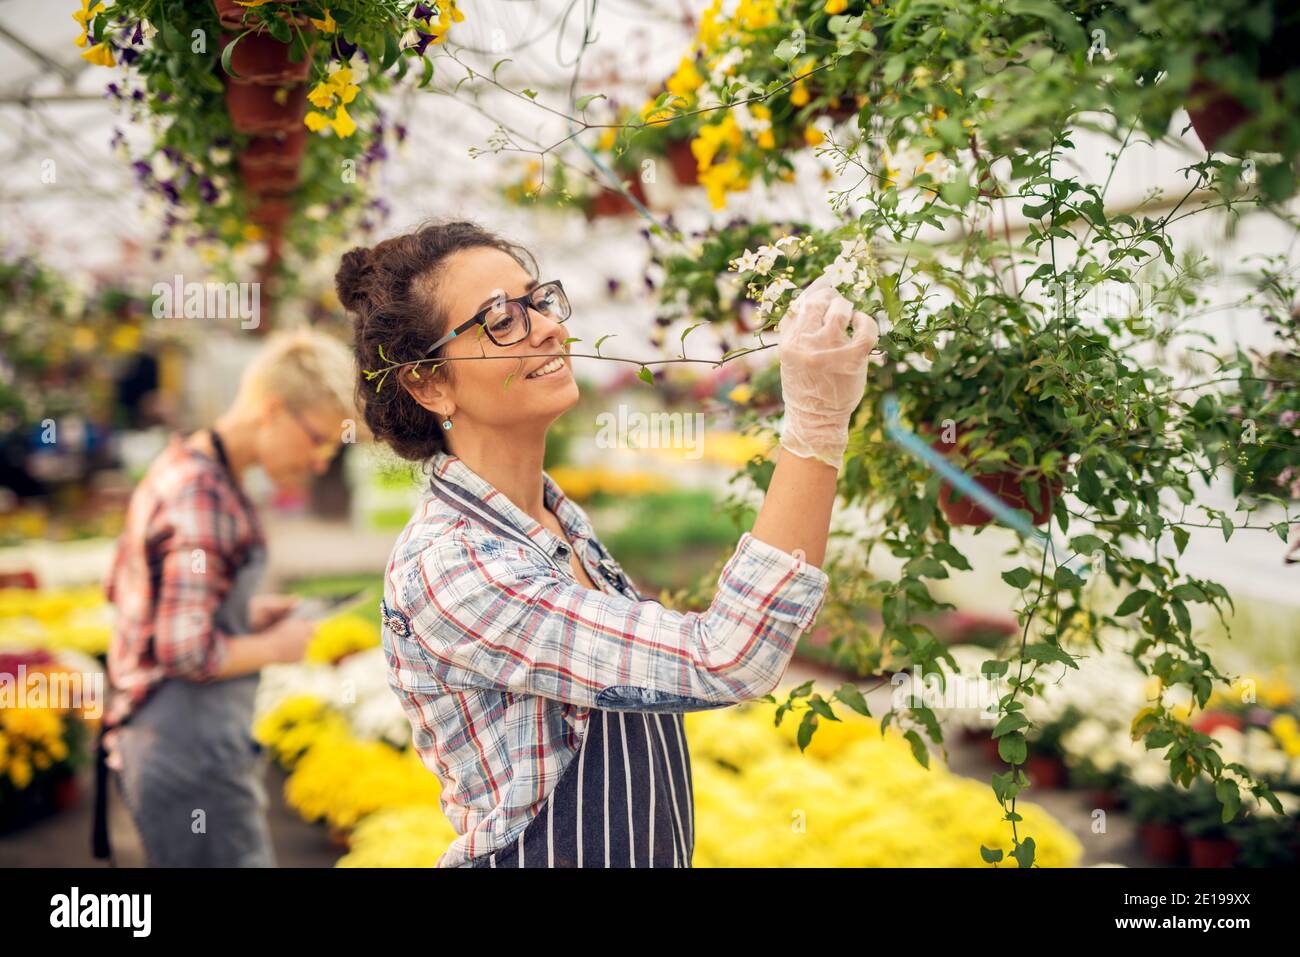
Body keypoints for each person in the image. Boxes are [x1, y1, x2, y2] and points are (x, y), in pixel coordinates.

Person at [337, 218, 877, 868]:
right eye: (500, 319)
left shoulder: (554, 518)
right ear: (429, 383)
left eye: (538, 300)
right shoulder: (455, 564)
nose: (546, 326)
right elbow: (728, 656)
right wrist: (815, 424)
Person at [94, 327, 357, 867]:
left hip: (168, 744)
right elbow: (182, 651)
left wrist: (245, 616)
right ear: (273, 409)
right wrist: (277, 647)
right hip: (187, 755)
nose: (321, 460)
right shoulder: (202, 495)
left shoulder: (190, 466)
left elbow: (141, 595)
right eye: (318, 439)